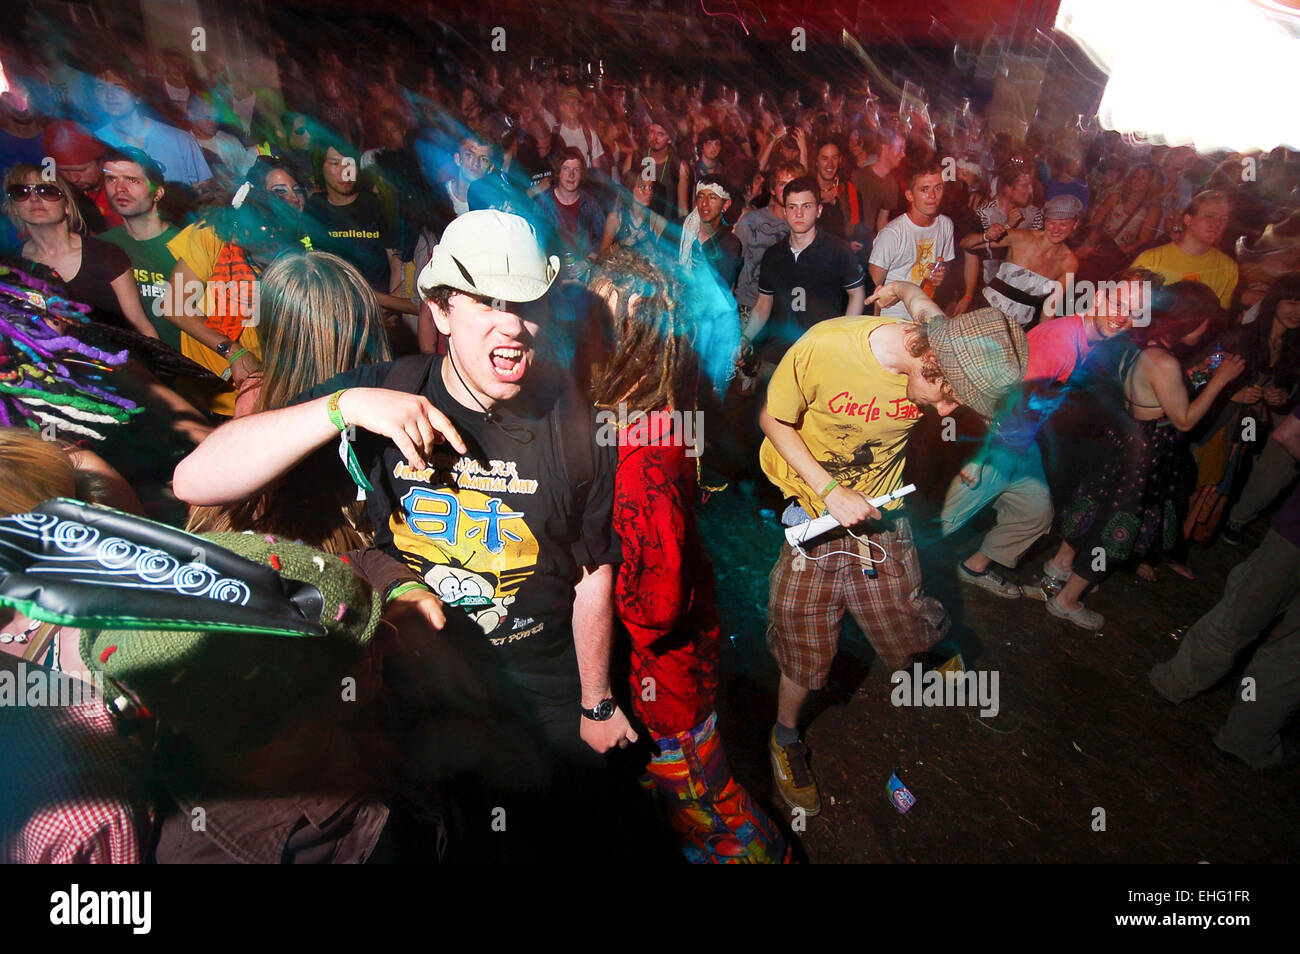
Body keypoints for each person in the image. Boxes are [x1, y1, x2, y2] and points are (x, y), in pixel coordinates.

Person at [171, 210, 636, 852]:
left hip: (537, 688)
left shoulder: (578, 425)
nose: (514, 325)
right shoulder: (386, 393)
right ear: (441, 310)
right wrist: (344, 407)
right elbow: (196, 480)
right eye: (489, 302)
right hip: (416, 685)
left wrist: (596, 702)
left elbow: (591, 573)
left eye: (528, 304)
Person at [761, 280, 1028, 815]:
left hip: (883, 506)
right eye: (950, 395)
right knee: (806, 633)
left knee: (906, 611)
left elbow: (928, 308)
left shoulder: (939, 338)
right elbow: (772, 419)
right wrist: (830, 491)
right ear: (929, 360)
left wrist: (907, 286)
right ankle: (784, 736)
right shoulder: (828, 347)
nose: (949, 412)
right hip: (813, 507)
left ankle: (926, 666)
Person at [587, 248, 788, 863]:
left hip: (668, 678)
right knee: (669, 789)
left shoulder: (640, 458)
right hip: (671, 661)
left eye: (594, 319)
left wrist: (590, 582)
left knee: (702, 798)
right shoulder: (652, 407)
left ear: (628, 344)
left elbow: (657, 604)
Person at [942, 269, 1160, 601]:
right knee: (947, 518)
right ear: (1099, 298)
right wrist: (981, 458)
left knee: (1034, 513)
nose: (1122, 317)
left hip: (1020, 438)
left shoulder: (1090, 340)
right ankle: (899, 574)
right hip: (996, 434)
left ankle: (974, 566)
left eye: (1133, 311)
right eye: (1118, 303)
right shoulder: (1062, 341)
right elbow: (1011, 399)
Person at [1044, 282, 1244, 630]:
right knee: (1115, 523)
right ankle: (1068, 599)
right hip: (1146, 451)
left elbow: (1151, 390)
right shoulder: (1163, 361)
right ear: (1187, 321)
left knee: (1096, 505)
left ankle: (1059, 566)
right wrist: (1219, 382)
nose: (1206, 330)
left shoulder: (1137, 343)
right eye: (1204, 323)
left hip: (1122, 438)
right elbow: (1184, 420)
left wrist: (1193, 376)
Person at [1148, 408, 1300, 769]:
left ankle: (1173, 684)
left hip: (1293, 537)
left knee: (1241, 615)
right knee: (1293, 653)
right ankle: (1245, 739)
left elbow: (1288, 435)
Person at [4, 164, 159, 340]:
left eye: (47, 191)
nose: (34, 199)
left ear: (67, 206)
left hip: (117, 361)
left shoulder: (106, 255)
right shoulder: (14, 267)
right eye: (21, 192)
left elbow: (141, 324)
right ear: (15, 208)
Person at [742, 175, 866, 364]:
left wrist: (843, 338)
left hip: (823, 352)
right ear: (785, 211)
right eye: (792, 207)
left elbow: (857, 294)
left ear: (819, 210)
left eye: (806, 206)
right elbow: (762, 304)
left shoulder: (838, 250)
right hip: (780, 352)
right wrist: (745, 339)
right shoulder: (773, 256)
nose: (799, 214)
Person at [1224, 274, 1300, 542]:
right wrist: (1233, 394)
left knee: (1278, 455)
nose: (1297, 312)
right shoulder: (1245, 335)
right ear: (1275, 301)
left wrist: (1283, 398)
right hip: (1227, 413)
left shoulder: (1294, 345)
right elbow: (1199, 374)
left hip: (1258, 417)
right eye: (1292, 302)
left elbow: (1290, 389)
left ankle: (1234, 517)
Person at [97, 147, 184, 347]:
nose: (119, 189)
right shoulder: (102, 246)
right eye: (111, 179)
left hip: (192, 365)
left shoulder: (186, 244)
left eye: (132, 180)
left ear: (158, 192)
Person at [961, 193, 1081, 327]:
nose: (1056, 230)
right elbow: (966, 244)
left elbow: (1048, 311)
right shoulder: (1023, 238)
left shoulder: (1069, 263)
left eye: (1064, 224)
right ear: (1044, 221)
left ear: (1075, 224)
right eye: (1051, 223)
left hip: (1015, 330)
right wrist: (986, 236)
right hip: (982, 313)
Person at [91, 62, 214, 191]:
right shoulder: (95, 143)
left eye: (118, 88)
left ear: (136, 95)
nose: (109, 95)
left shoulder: (181, 141)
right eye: (101, 88)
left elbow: (208, 195)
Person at [868, 157, 955, 319]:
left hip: (925, 314)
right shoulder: (892, 234)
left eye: (938, 188)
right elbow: (872, 291)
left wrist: (943, 274)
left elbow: (946, 265)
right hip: (894, 319)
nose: (932, 196)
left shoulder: (946, 225)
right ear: (909, 195)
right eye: (924, 189)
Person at [1133, 190, 1239, 310]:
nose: (1217, 223)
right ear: (1188, 219)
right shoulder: (1150, 260)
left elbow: (1218, 319)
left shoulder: (1229, 268)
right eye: (1210, 216)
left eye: (1224, 219)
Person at [972, 157, 1044, 287]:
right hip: (990, 285)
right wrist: (1007, 226)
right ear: (1008, 188)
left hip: (1021, 287)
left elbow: (1036, 253)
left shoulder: (1034, 214)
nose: (1031, 191)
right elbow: (983, 251)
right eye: (1025, 186)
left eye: (1031, 185)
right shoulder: (985, 213)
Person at [536, 147, 604, 284]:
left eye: (576, 170)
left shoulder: (590, 204)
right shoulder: (543, 203)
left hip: (581, 281)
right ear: (558, 172)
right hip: (550, 280)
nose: (571, 175)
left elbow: (602, 240)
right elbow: (535, 241)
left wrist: (587, 262)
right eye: (566, 169)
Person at [41, 120, 121, 233]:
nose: (73, 178)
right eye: (64, 171)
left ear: (102, 162)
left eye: (81, 170)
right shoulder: (54, 195)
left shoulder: (122, 187)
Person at [599, 170, 667, 259]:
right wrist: (620, 245)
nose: (649, 192)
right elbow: (602, 255)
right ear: (629, 190)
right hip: (621, 270)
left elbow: (663, 259)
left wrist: (649, 247)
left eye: (650, 188)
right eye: (643, 187)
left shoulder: (658, 221)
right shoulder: (615, 218)